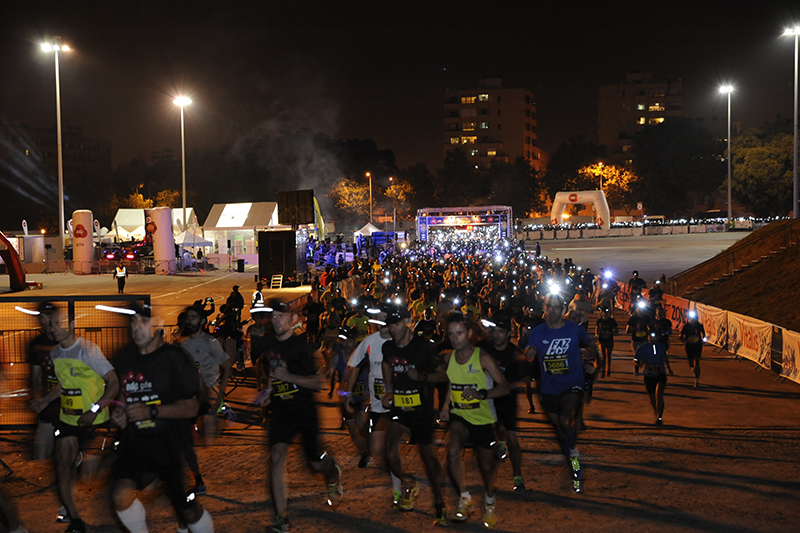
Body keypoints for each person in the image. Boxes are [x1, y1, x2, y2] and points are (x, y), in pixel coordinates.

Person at [109, 303, 214, 533]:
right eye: (133, 321)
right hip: (136, 441)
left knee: (185, 510)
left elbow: (191, 407)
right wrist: (118, 410)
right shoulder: (124, 357)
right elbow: (124, 393)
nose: (137, 327)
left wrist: (152, 412)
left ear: (158, 327)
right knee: (119, 495)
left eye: (144, 322)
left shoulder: (175, 358)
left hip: (170, 441)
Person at [258, 299, 343, 532]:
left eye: (282, 316)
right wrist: (268, 390)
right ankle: (281, 518)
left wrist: (289, 378)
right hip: (282, 408)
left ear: (294, 319)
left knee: (315, 464)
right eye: (273, 316)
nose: (276, 320)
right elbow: (273, 371)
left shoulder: (304, 347)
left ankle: (332, 472)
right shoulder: (267, 343)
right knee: (276, 456)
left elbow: (318, 382)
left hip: (304, 410)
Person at [38, 304, 119, 533]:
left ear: (72, 325)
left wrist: (94, 410)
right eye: (51, 324)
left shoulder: (88, 350)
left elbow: (113, 382)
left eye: (57, 323)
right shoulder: (55, 353)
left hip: (94, 419)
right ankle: (74, 521)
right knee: (61, 468)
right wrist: (46, 399)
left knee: (91, 475)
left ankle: (86, 460)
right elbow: (64, 383)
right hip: (68, 419)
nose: (52, 328)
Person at [439, 312, 510, 528]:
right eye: (451, 334)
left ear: (469, 333)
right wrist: (445, 406)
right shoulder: (449, 357)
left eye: (459, 333)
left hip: (483, 418)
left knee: (486, 467)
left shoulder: (482, 358)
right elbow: (453, 382)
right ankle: (465, 499)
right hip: (460, 414)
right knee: (451, 451)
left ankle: (489, 501)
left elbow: (504, 386)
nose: (455, 338)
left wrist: (482, 394)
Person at [380, 303, 447, 525]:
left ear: (408, 322)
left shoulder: (424, 347)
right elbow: (387, 366)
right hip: (399, 409)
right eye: (390, 324)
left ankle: (439, 504)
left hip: (421, 411)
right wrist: (388, 390)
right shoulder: (388, 348)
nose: (393, 328)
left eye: (397, 323)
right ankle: (409, 482)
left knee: (428, 459)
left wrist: (422, 376)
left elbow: (443, 376)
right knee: (388, 451)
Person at [524, 293, 598, 494]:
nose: (552, 311)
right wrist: (529, 356)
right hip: (548, 389)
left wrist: (591, 362)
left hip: (572, 384)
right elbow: (528, 355)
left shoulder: (574, 330)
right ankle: (575, 464)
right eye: (549, 307)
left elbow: (591, 344)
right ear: (544, 309)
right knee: (563, 435)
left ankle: (574, 459)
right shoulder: (538, 333)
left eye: (556, 307)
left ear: (563, 310)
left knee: (566, 421)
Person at [478, 312, 528, 492]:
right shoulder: (484, 348)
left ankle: (517, 476)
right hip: (489, 397)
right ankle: (491, 478)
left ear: (508, 333)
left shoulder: (514, 353)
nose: (497, 335)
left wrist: (527, 364)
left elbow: (526, 376)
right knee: (491, 435)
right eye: (495, 331)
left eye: (501, 331)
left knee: (513, 439)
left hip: (507, 399)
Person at [180, 305, 232, 444]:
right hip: (191, 396)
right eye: (188, 318)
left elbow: (227, 368)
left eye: (194, 318)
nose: (190, 321)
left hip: (209, 394)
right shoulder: (183, 344)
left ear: (203, 321)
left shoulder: (210, 343)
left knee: (209, 440)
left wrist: (220, 394)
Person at [634, 329, 674, 425]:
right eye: (650, 336)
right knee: (652, 399)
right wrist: (639, 365)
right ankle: (656, 413)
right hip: (649, 375)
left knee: (659, 394)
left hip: (660, 374)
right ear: (647, 337)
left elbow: (665, 357)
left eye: (654, 336)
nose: (652, 338)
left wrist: (668, 367)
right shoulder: (642, 348)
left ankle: (660, 417)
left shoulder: (662, 346)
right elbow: (636, 359)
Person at [680, 310, 706, 388]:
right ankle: (693, 370)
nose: (693, 320)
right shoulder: (686, 326)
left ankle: (697, 380)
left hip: (697, 346)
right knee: (691, 363)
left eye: (695, 318)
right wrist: (684, 341)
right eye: (692, 318)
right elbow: (681, 335)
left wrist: (703, 340)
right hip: (689, 346)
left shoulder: (700, 326)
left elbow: (703, 335)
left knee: (697, 362)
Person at [595, 306, 618, 377]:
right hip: (601, 340)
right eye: (604, 312)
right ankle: (603, 370)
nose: (605, 313)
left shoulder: (612, 321)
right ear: (601, 313)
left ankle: (608, 369)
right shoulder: (599, 321)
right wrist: (597, 335)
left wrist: (611, 332)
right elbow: (596, 329)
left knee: (608, 356)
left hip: (609, 339)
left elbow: (616, 330)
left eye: (607, 312)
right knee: (603, 356)